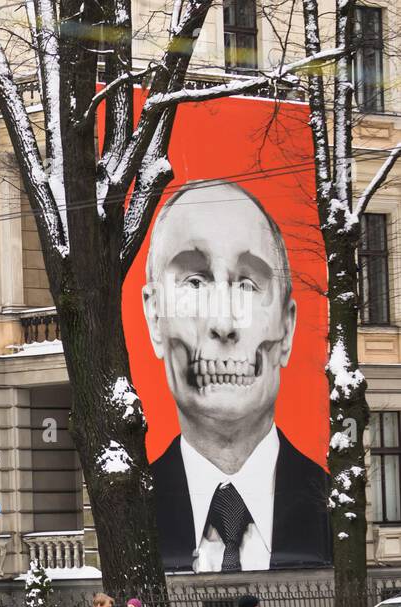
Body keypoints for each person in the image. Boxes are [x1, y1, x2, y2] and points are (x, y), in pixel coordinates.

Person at [141, 180, 330, 573]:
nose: (224, 323)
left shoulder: (332, 503)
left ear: (287, 327)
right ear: (154, 318)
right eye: (193, 283)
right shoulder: (133, 509)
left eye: (247, 285)